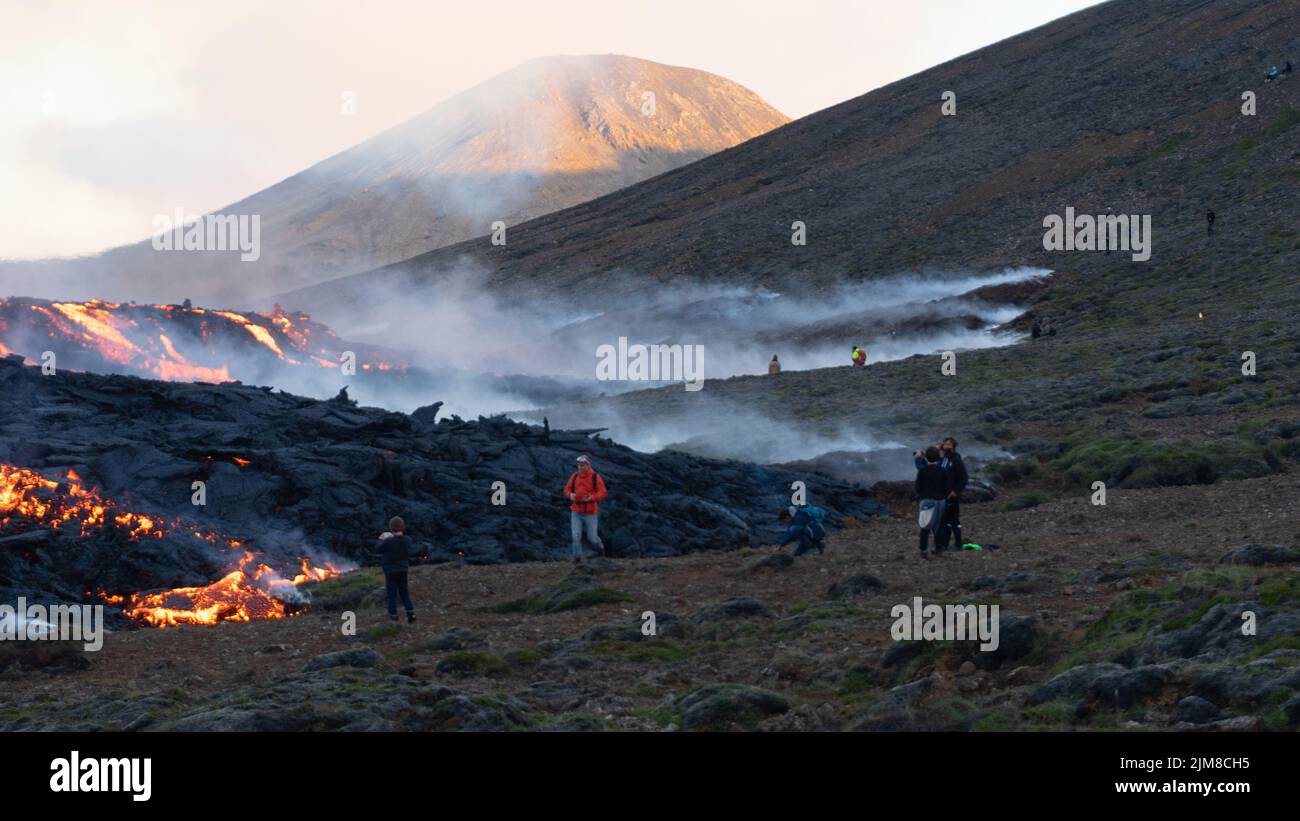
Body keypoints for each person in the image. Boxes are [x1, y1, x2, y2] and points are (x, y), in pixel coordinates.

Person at [564, 454, 607, 563]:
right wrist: (570, 495)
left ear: (588, 465)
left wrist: (592, 497)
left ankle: (601, 548)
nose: (580, 467)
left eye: (582, 465)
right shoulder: (574, 477)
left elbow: (603, 492)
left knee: (592, 538)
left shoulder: (595, 477)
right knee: (576, 535)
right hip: (576, 511)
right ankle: (577, 559)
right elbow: (566, 489)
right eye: (579, 465)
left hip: (590, 513)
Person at [374, 516, 415, 624]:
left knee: (391, 593)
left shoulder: (388, 542)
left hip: (390, 570)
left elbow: (378, 549)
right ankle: (411, 614)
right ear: (403, 527)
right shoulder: (408, 540)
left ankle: (394, 616)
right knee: (404, 592)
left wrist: (381, 538)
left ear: (391, 528)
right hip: (403, 569)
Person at [914, 446, 951, 558]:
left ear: (926, 457)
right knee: (938, 526)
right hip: (940, 500)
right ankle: (938, 549)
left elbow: (918, 487)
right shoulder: (943, 470)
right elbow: (947, 487)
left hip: (927, 500)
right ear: (938, 458)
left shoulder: (923, 471)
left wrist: (922, 496)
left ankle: (924, 551)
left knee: (925, 526)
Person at [937, 437, 969, 550]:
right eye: (945, 444)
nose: (946, 446)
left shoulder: (956, 459)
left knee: (954, 520)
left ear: (953, 446)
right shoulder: (943, 459)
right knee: (945, 521)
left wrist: (956, 491)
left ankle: (958, 543)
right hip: (943, 495)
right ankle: (945, 544)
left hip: (952, 495)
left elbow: (964, 478)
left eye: (949, 444)